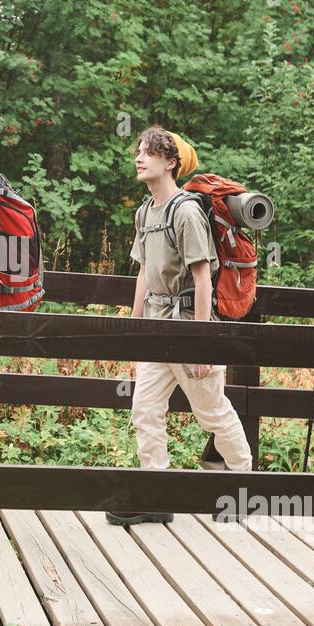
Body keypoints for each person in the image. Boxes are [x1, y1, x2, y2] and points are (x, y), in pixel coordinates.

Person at [108, 125, 254, 526]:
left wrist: (202, 344)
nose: (139, 158)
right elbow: (143, 275)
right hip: (157, 329)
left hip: (189, 325)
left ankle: (244, 487)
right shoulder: (145, 211)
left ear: (170, 163)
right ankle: (158, 494)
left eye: (149, 153)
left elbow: (204, 279)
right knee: (146, 409)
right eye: (138, 151)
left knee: (211, 412)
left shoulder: (186, 211)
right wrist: (133, 333)